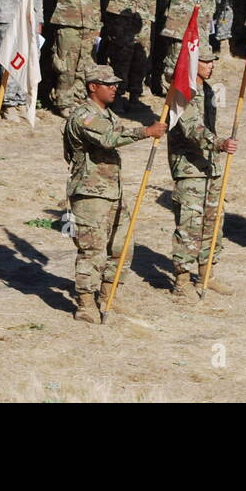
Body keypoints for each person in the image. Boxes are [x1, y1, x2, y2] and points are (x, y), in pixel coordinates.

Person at [62, 65, 166, 323]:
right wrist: (145, 131)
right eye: (108, 84)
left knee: (122, 247)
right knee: (92, 251)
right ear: (92, 86)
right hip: (90, 194)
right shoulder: (83, 116)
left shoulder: (108, 114)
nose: (114, 88)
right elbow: (108, 139)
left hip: (112, 192)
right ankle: (86, 303)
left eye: (115, 84)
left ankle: (108, 297)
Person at [167, 48, 237, 299]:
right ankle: (182, 281)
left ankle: (207, 274)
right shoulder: (181, 91)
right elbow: (192, 128)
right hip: (189, 169)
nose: (211, 66)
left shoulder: (207, 91)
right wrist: (218, 143)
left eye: (212, 61)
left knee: (213, 222)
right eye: (206, 61)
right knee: (189, 225)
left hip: (209, 166)